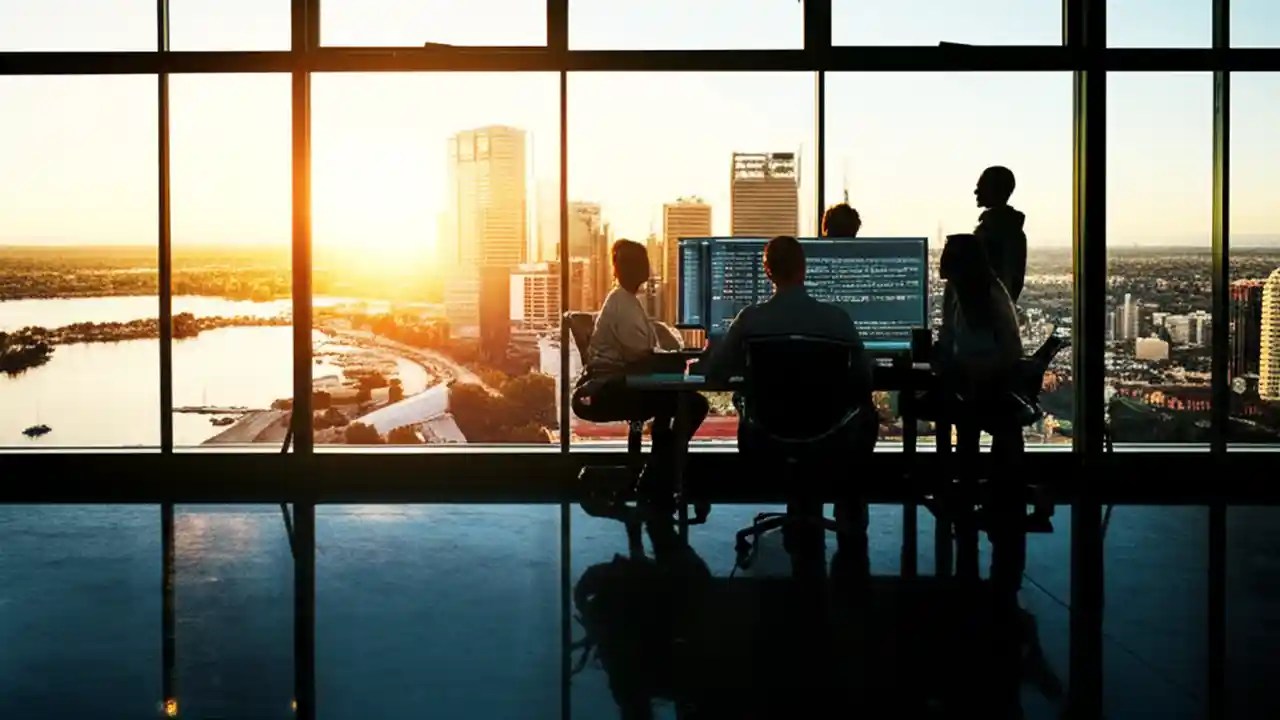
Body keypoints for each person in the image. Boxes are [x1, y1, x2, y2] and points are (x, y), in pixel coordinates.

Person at [701, 236, 875, 577]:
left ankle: (805, 513)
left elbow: (717, 374)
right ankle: (850, 508)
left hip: (766, 438)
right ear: (804, 269)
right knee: (867, 414)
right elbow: (864, 381)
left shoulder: (750, 320)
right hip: (829, 439)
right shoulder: (837, 320)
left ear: (768, 272)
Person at [572, 239, 709, 507]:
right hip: (613, 387)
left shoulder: (626, 301)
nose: (643, 269)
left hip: (625, 382)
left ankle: (656, 473)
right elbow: (641, 357)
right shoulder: (622, 304)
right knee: (693, 404)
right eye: (638, 263)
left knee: (677, 405)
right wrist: (687, 360)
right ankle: (658, 473)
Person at [936, 233, 1026, 596]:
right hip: (970, 380)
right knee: (956, 409)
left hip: (995, 383)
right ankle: (965, 490)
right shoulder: (959, 292)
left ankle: (966, 492)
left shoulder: (991, 296)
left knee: (962, 413)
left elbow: (1010, 353)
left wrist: (973, 371)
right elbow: (948, 336)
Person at [973, 165, 1027, 304]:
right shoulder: (1012, 232)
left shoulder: (992, 234)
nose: (976, 191)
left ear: (994, 190)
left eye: (982, 187)